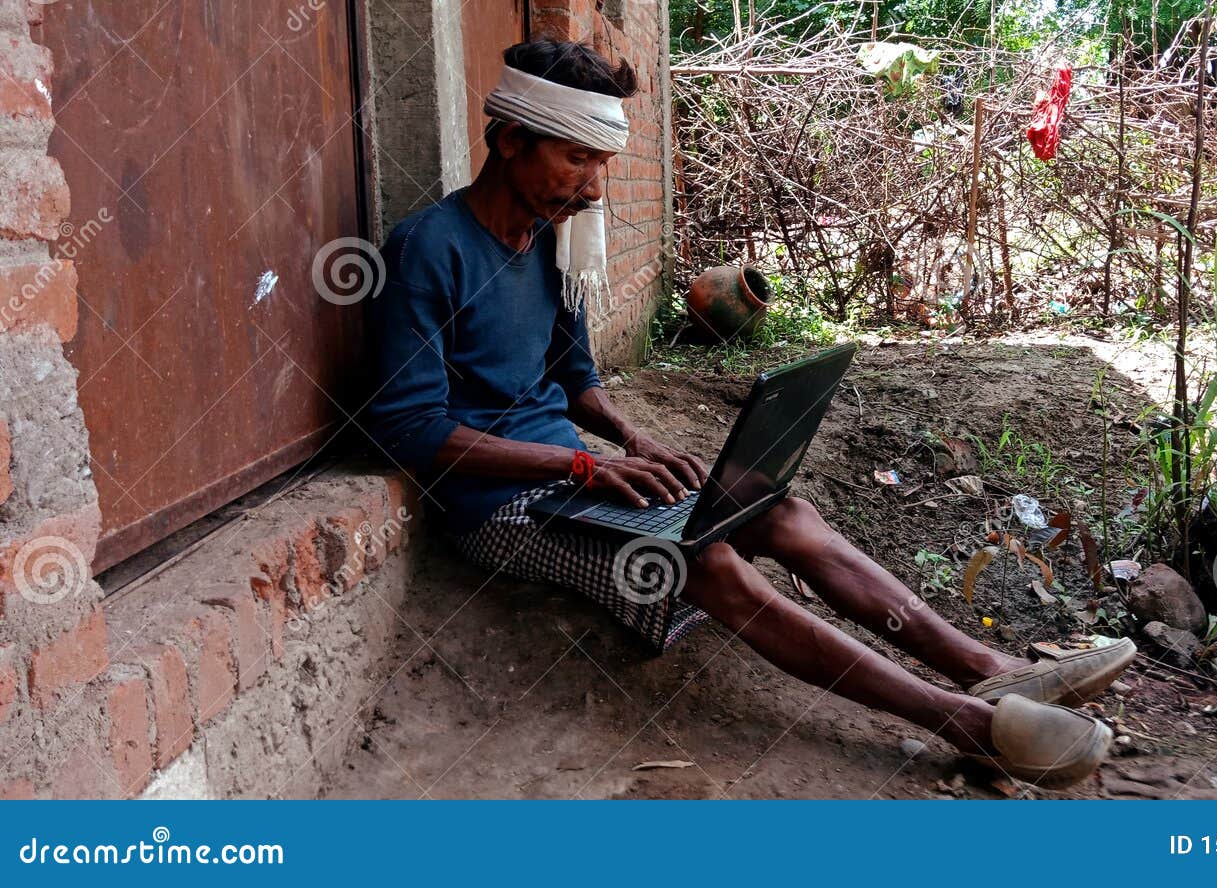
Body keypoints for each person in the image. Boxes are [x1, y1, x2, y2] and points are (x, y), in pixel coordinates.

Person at [363, 39, 1135, 786]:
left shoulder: (548, 242)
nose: (594, 187)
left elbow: (573, 375)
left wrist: (630, 437)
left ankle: (991, 670)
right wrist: (583, 464)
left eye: (601, 163)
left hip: (579, 475)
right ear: (507, 140)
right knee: (704, 559)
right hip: (500, 507)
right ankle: (967, 727)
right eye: (576, 158)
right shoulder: (429, 247)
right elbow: (412, 430)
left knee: (776, 510)